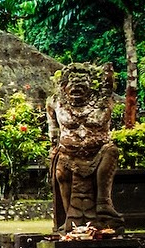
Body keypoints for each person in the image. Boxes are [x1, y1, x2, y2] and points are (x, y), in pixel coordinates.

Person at [47, 63, 122, 232]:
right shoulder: (56, 102)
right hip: (68, 155)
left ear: (91, 86)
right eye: (72, 84)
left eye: (82, 84)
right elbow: (53, 128)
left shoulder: (102, 102)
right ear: (64, 87)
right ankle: (69, 220)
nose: (76, 88)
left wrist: (108, 77)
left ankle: (104, 203)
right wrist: (54, 145)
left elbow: (108, 86)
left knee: (112, 151)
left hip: (98, 153)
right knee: (61, 171)